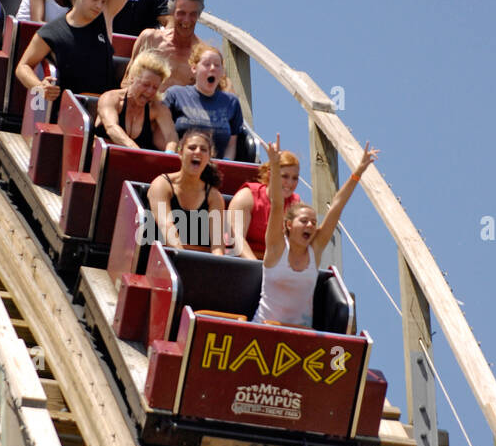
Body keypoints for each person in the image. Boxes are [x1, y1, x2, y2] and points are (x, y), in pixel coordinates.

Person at [253, 135, 378, 329]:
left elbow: (336, 207)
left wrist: (357, 173)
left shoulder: (315, 250)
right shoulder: (277, 246)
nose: (310, 226)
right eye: (304, 221)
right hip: (265, 328)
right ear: (288, 225)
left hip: (300, 337)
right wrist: (275, 166)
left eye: (313, 222)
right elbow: (277, 205)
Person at [147, 129, 226, 255]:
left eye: (203, 150)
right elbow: (166, 227)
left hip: (198, 264)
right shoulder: (162, 184)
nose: (198, 152)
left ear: (209, 157)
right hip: (160, 258)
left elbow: (217, 246)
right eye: (192, 148)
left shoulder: (214, 196)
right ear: (180, 152)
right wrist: (183, 259)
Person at [163, 41, 243, 160]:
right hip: (180, 163)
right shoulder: (175, 94)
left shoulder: (231, 102)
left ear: (221, 72)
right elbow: (160, 130)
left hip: (215, 169)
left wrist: (226, 164)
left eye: (217, 65)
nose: (212, 68)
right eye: (206, 64)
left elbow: (232, 143)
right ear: (194, 68)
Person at [94, 51, 178, 151]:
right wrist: (137, 152)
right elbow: (111, 128)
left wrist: (170, 152)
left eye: (155, 88)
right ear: (133, 78)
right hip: (101, 159)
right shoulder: (111, 98)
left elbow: (171, 136)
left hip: (134, 163)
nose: (150, 91)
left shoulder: (157, 108)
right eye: (145, 85)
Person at [228, 149, 301, 258]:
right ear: (271, 174)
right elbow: (237, 238)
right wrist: (255, 267)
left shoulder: (296, 205)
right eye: (285, 176)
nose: (290, 183)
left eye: (295, 178)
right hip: (241, 261)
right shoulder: (246, 196)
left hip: (272, 264)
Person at [129, 0, 205, 86]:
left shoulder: (203, 54)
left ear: (199, 15)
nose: (186, 20)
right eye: (181, 13)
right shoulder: (150, 39)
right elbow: (127, 82)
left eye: (192, 14)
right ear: (172, 11)